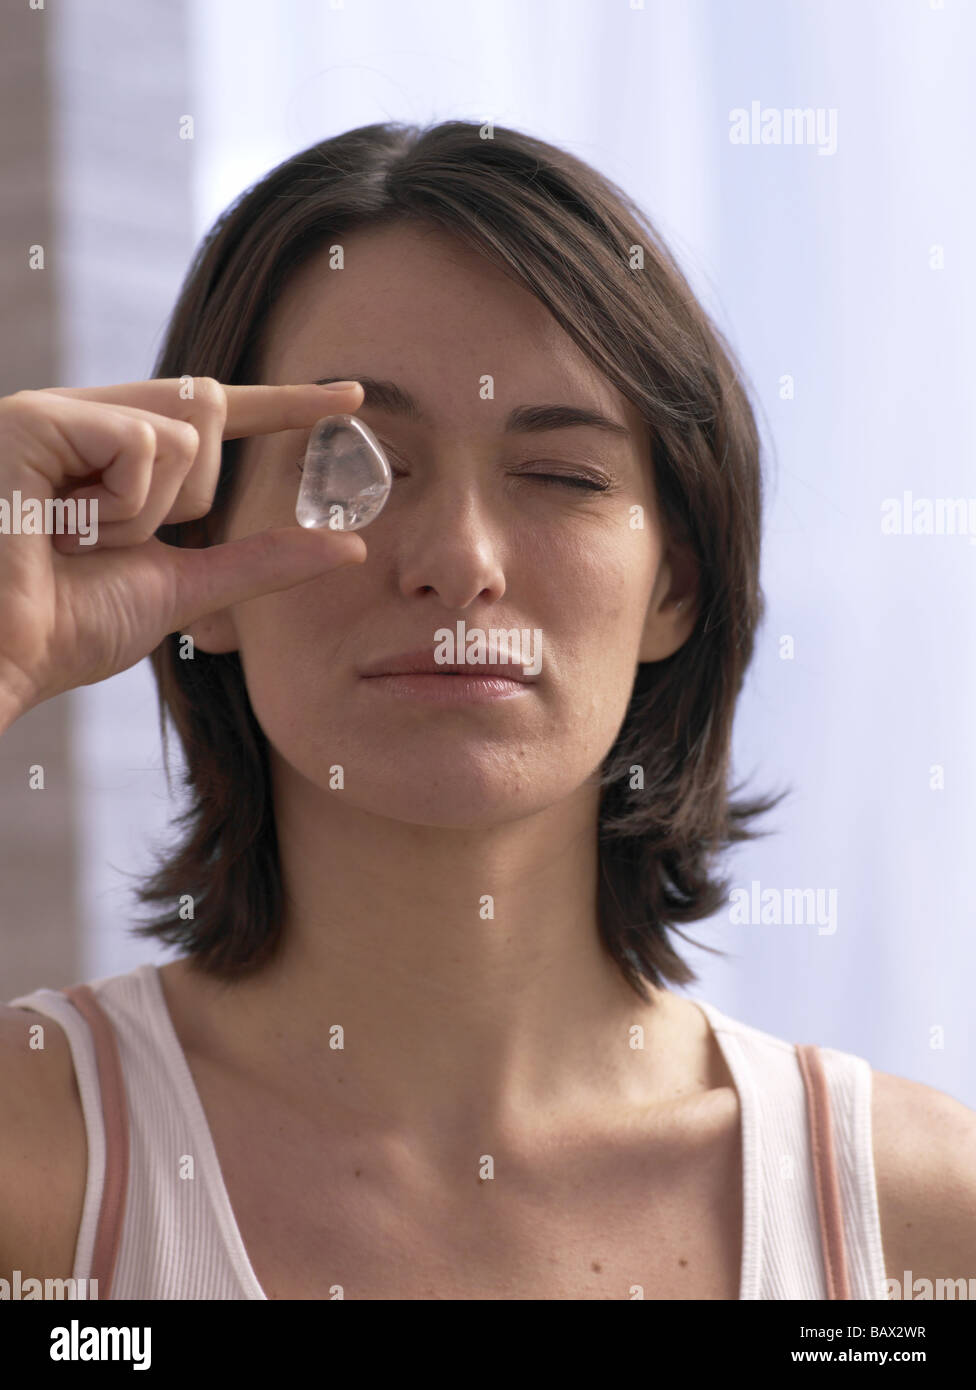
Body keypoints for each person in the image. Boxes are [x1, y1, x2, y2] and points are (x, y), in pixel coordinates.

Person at [1, 121, 973, 1302]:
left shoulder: (919, 1220)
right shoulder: (37, 1160)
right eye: (353, 466)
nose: (458, 563)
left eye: (560, 478)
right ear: (208, 563)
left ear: (674, 584)